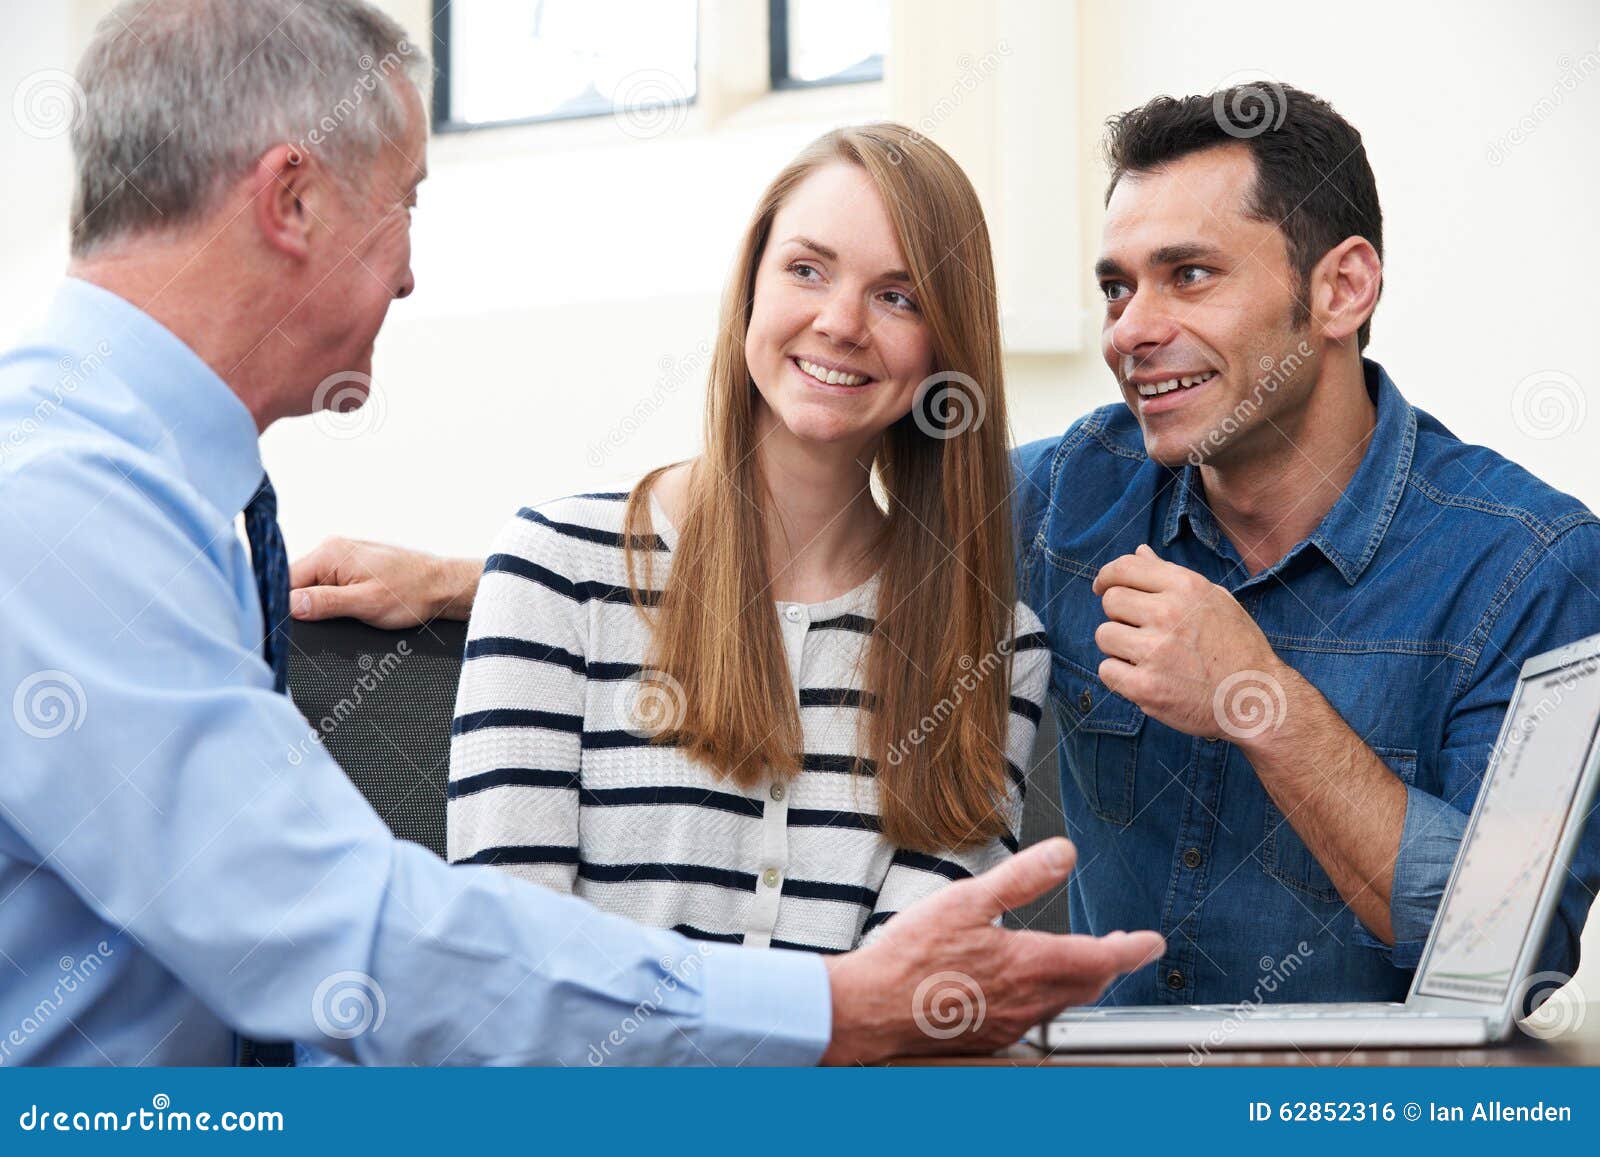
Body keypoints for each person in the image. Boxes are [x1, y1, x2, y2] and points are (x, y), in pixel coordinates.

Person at [0, 0, 1164, 1068]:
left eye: (900, 294)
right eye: (404, 203)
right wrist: (832, 1007)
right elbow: (342, 935)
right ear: (292, 200)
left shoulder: (157, 496)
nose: (408, 273)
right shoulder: (60, 504)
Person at [303, 83, 1600, 1007]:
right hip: (1103, 1095)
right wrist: (486, 581)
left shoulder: (1532, 565)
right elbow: (830, 529)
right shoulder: (1079, 496)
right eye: (1113, 284)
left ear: (1343, 288)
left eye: (1189, 276)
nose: (1132, 328)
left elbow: (1516, 944)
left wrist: (1258, 700)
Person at [448, 124, 1049, 953]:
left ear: (946, 347)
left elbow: (904, 1003)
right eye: (807, 269)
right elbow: (510, 965)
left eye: (898, 296)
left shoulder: (992, 648)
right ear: (750, 295)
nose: (840, 322)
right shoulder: (556, 572)